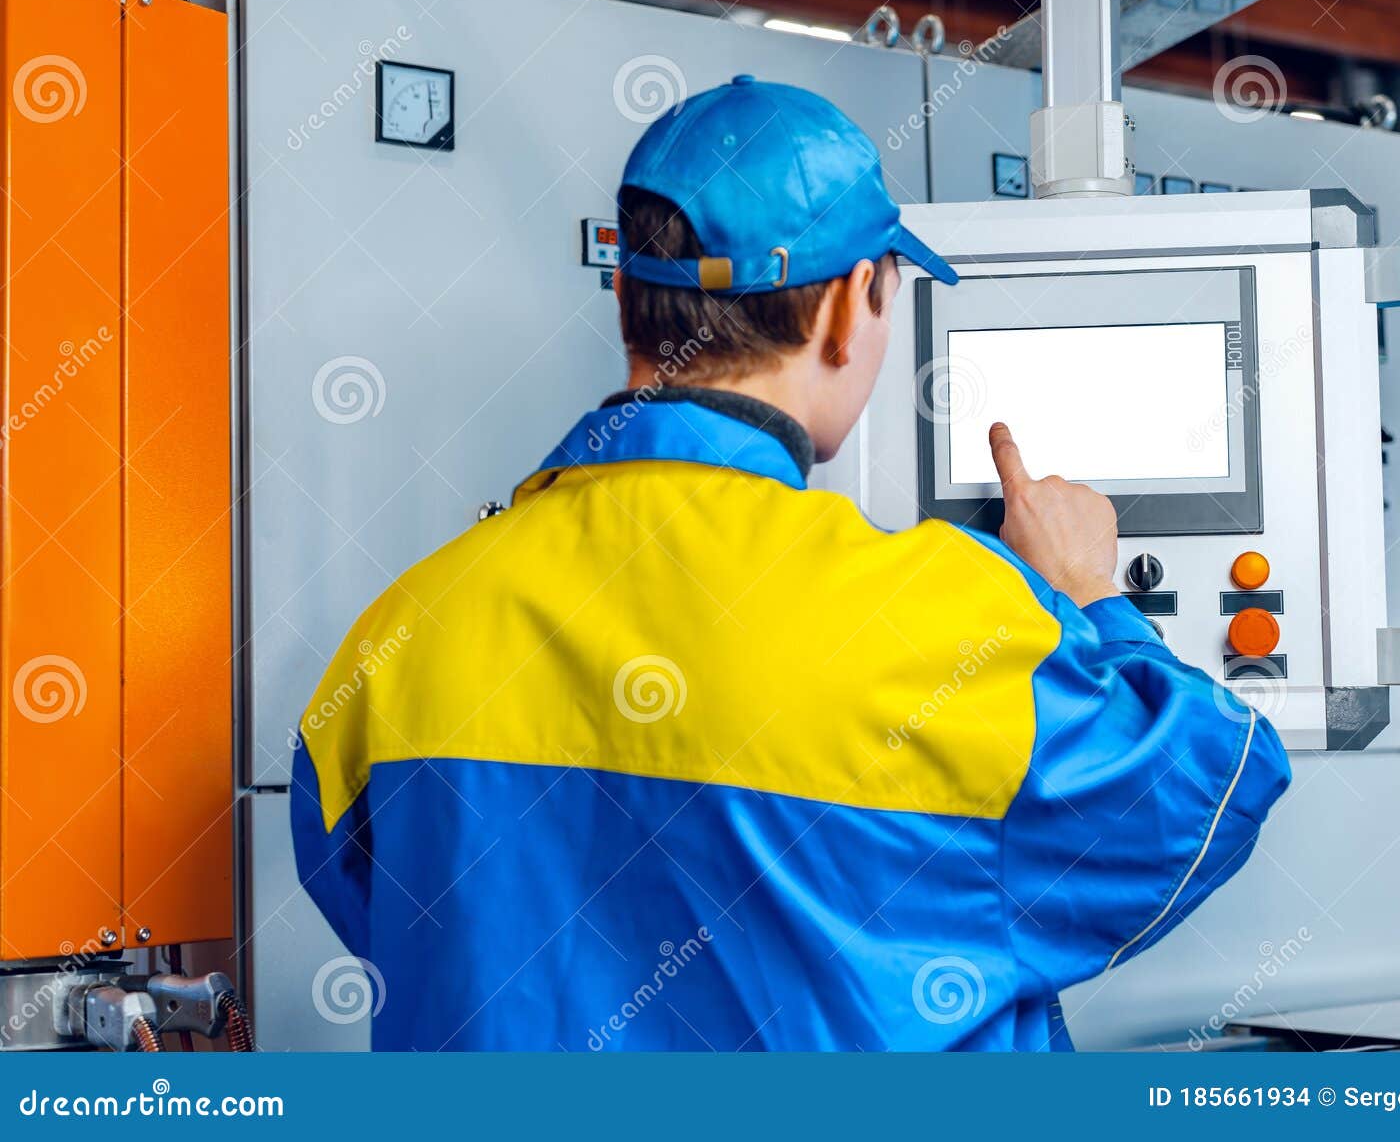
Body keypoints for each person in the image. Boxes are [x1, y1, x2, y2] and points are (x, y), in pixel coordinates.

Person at [291, 75, 1291, 1051]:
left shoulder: (403, 628)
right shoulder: (941, 616)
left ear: (626, 299)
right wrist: (1089, 593)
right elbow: (1208, 786)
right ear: (850, 306)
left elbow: (391, 920)